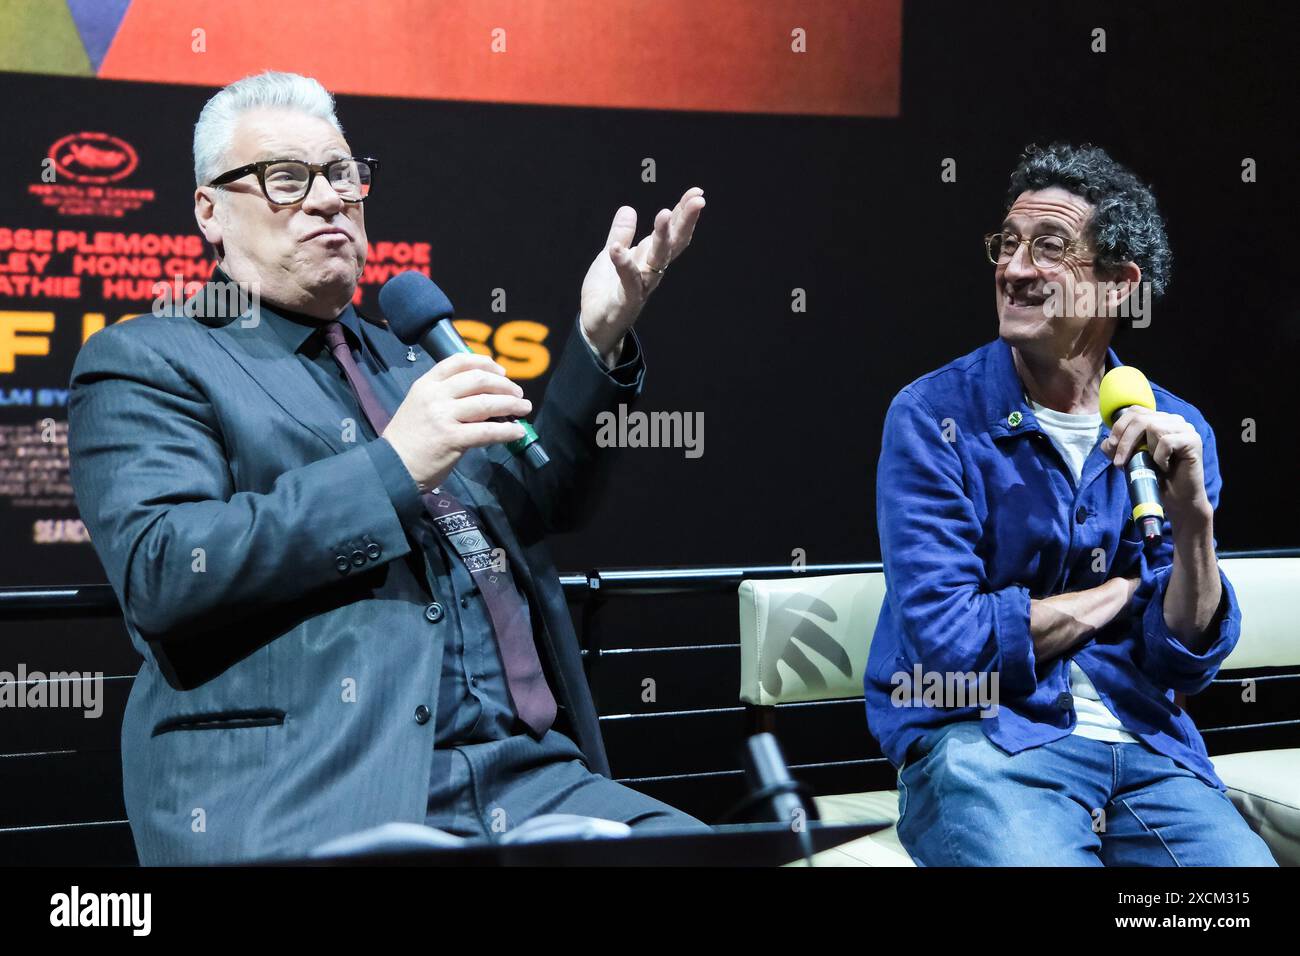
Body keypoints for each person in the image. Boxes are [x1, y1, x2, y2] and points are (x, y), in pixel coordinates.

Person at [68, 71, 708, 864]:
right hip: (316, 787)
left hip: (529, 776)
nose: (328, 199)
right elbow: (164, 571)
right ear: (210, 211)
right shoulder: (149, 358)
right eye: (286, 179)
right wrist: (394, 466)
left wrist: (597, 338)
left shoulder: (412, 356)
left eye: (341, 174)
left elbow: (542, 503)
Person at [865, 142, 1275, 866]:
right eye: (1008, 244)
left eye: (1049, 248)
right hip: (985, 739)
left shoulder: (1176, 430)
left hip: (1145, 743)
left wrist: (1193, 523)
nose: (1014, 268)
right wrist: (1122, 592)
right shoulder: (934, 417)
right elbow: (953, 645)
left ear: (1117, 286)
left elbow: (1183, 660)